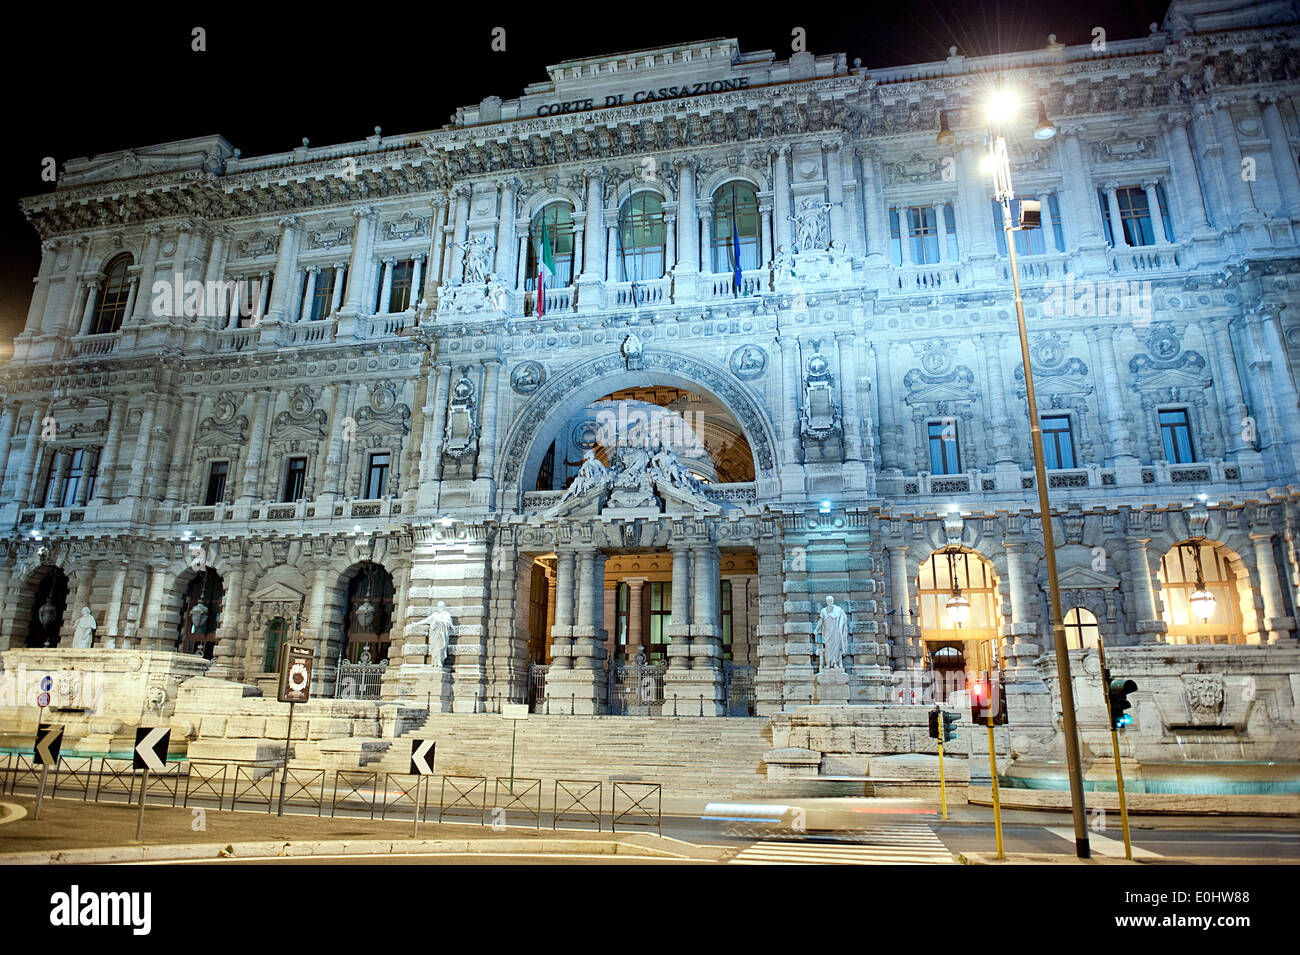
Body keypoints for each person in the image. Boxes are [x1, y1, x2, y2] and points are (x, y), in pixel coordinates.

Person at [813, 594, 849, 670]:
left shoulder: (838, 610)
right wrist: (816, 629)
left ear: (833, 601)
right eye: (829, 601)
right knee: (828, 647)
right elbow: (820, 621)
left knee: (836, 647)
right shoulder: (823, 611)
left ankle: (834, 663)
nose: (830, 602)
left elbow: (843, 618)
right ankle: (828, 663)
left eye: (831, 601)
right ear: (826, 602)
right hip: (827, 632)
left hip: (835, 632)